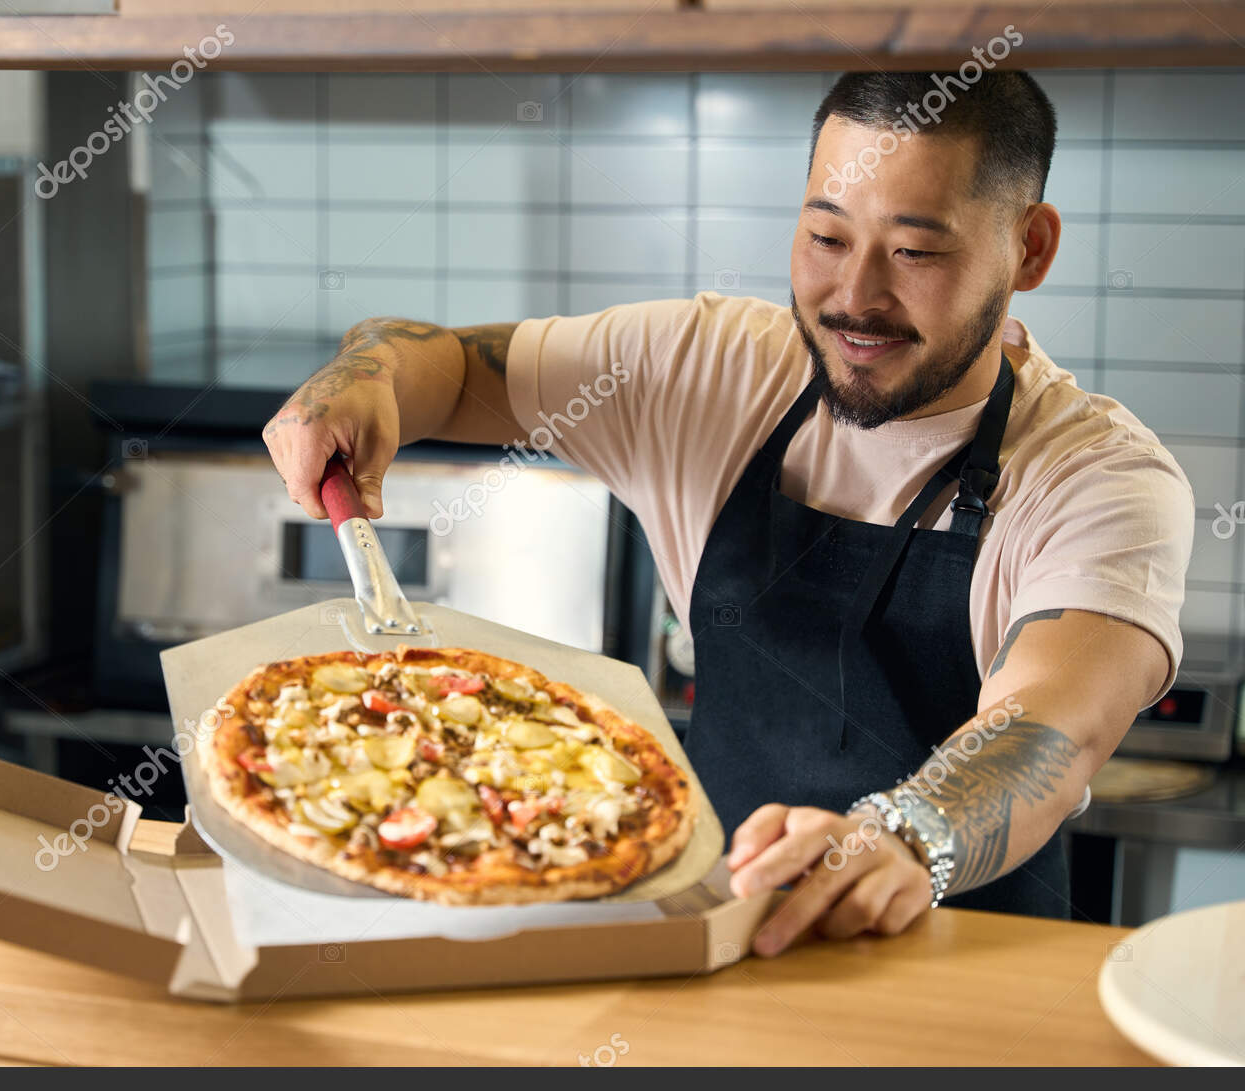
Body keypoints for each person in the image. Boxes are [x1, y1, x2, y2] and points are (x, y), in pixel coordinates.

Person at [261, 70, 1193, 955]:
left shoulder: (1100, 478)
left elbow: (1049, 730)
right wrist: (365, 375)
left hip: (973, 982)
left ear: (1029, 247)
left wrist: (908, 833)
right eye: (826, 239)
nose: (856, 296)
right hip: (718, 938)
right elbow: (449, 362)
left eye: (914, 251)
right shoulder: (707, 367)